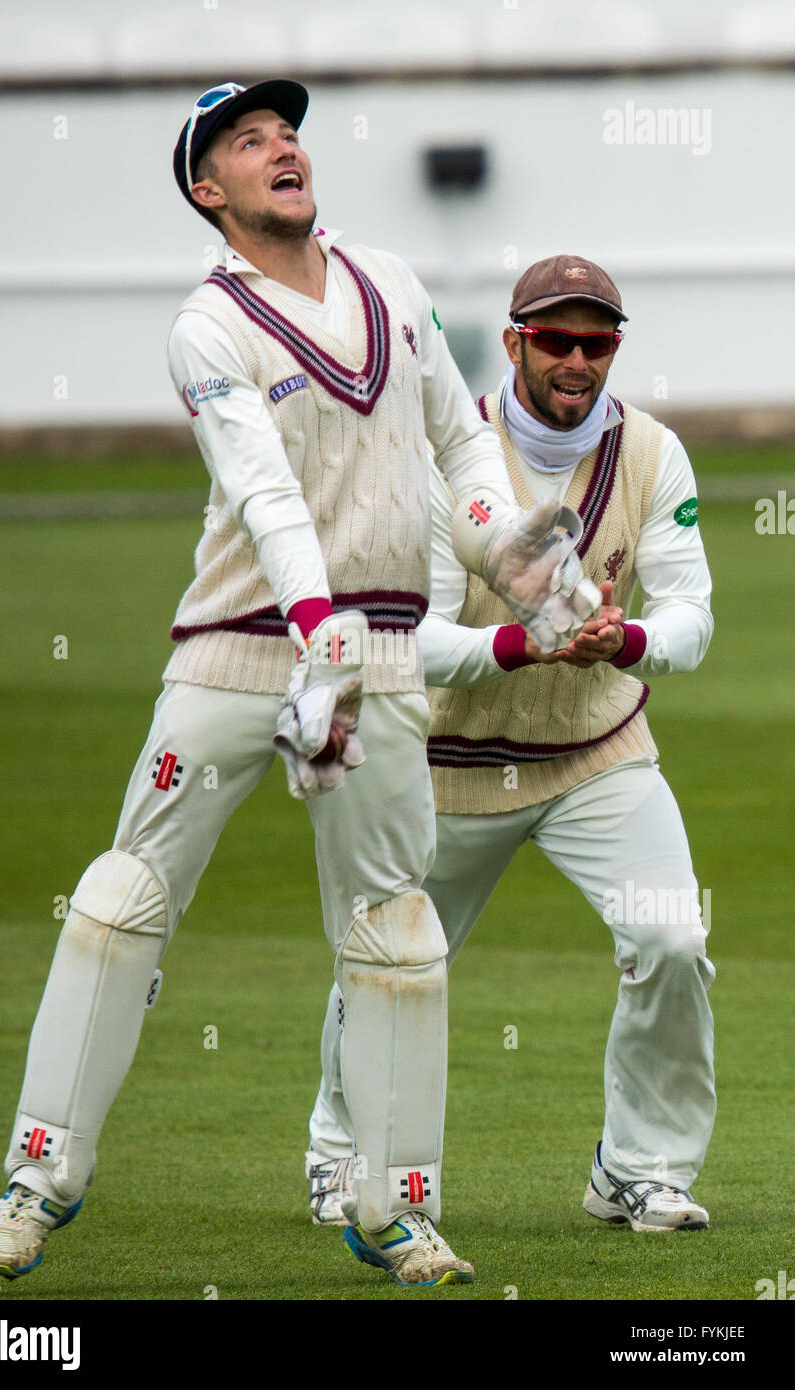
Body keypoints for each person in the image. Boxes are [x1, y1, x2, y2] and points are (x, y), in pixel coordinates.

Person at [0, 85, 597, 1289]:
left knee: (394, 923)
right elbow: (261, 490)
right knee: (122, 896)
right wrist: (314, 634)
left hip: (380, 656)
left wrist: (518, 564)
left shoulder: (392, 283)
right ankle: (37, 1182)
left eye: (286, 132)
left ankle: (391, 1205)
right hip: (239, 646)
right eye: (250, 142)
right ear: (209, 190)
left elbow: (455, 448)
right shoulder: (207, 328)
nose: (283, 148)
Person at [307, 254, 717, 1237]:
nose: (576, 359)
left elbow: (691, 617)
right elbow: (415, 638)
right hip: (449, 766)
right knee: (393, 958)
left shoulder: (652, 453)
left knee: (670, 937)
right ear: (514, 343)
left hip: (595, 753)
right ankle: (339, 1153)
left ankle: (637, 1168)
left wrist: (621, 640)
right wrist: (514, 642)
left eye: (596, 341)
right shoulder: (451, 457)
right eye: (556, 339)